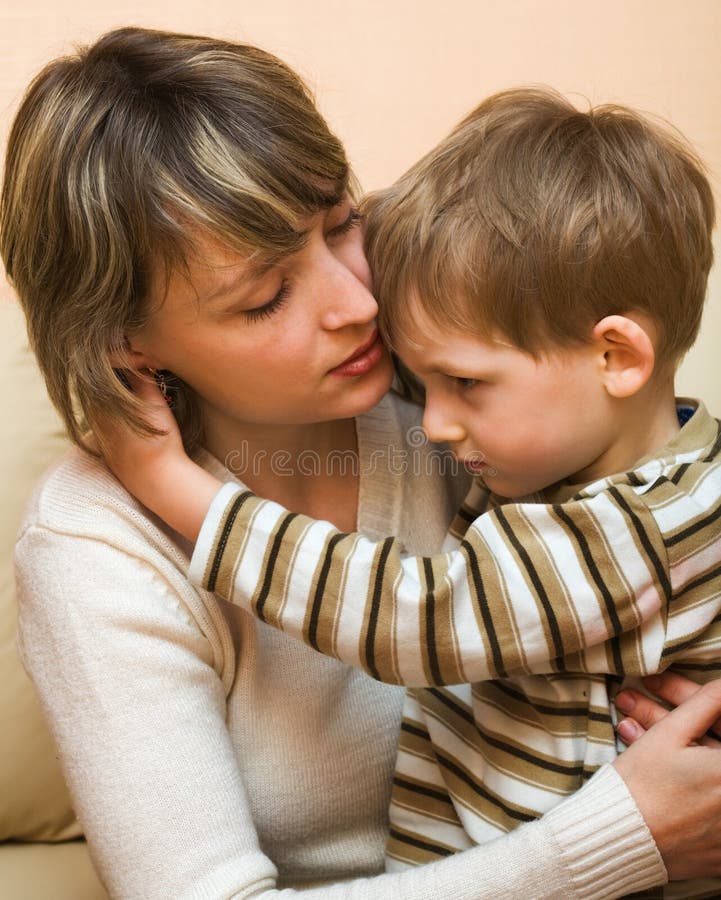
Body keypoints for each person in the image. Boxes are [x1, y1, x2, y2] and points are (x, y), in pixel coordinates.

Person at [2, 27, 720, 900]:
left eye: (343, 223)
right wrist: (623, 838)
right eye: (265, 296)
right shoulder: (94, 546)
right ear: (130, 346)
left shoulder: (464, 397)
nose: (357, 301)